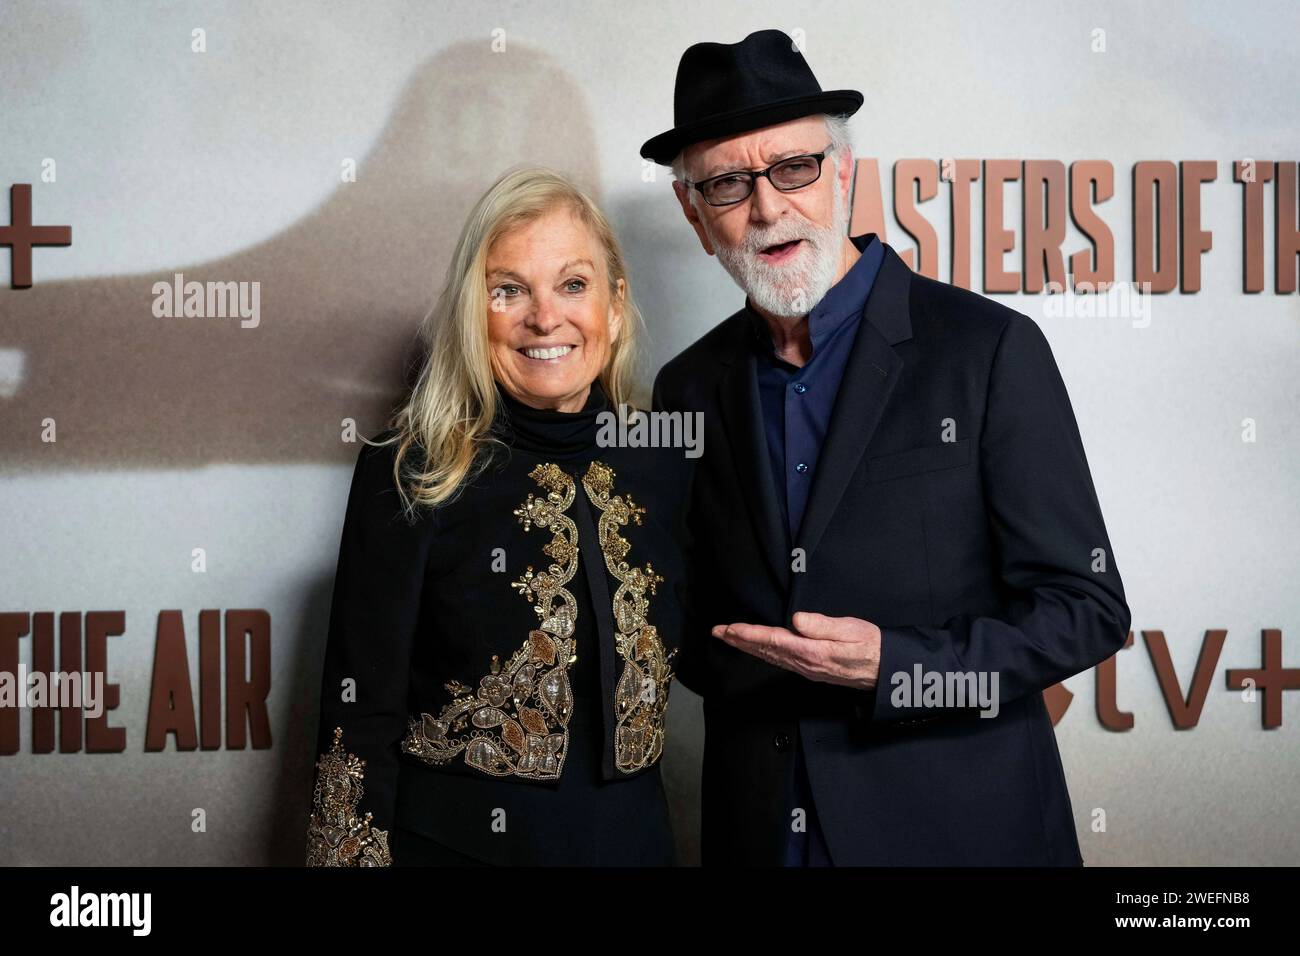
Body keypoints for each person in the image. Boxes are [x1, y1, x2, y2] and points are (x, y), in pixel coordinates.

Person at [642, 29, 1132, 865]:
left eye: (794, 168)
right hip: (760, 835)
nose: (767, 209)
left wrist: (895, 667)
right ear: (694, 214)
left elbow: (1086, 611)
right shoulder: (686, 388)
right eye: (727, 183)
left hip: (957, 836)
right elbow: (684, 625)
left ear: (843, 173)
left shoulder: (986, 350)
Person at [304, 166, 692, 866]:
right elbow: (358, 717)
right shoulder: (413, 469)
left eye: (572, 285)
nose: (545, 318)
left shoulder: (664, 462)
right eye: (508, 290)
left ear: (614, 304)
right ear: (471, 312)